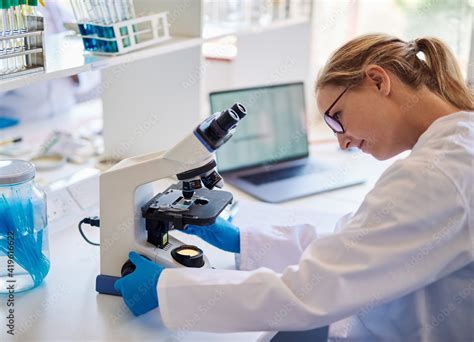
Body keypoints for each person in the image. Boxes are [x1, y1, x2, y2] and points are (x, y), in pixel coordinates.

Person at [114, 34, 474, 341]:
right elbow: (355, 244)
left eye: (337, 118)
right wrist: (245, 240)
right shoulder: (453, 148)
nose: (342, 142)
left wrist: (168, 291)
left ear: (378, 81)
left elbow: (312, 291)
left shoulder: (436, 173)